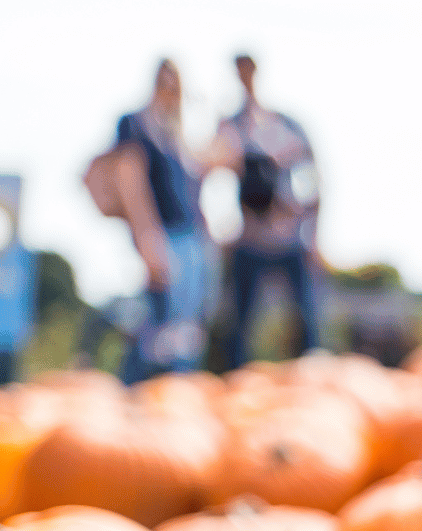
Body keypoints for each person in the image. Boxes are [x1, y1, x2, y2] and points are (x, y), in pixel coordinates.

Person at [215, 54, 321, 369]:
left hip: (288, 238)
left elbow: (315, 178)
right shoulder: (231, 126)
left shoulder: (285, 124)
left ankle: (312, 380)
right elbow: (211, 169)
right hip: (250, 238)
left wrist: (311, 230)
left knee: (307, 323)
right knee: (238, 328)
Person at [111, 60, 210, 383]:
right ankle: (135, 391)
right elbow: (130, 182)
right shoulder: (135, 124)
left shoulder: (175, 133)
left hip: (189, 236)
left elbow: (192, 189)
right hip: (162, 235)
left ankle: (178, 390)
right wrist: (147, 237)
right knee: (155, 324)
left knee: (184, 331)